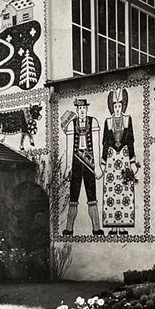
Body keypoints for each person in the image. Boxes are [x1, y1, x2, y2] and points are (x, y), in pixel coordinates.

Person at [61, 98, 103, 236]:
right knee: (74, 196)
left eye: (84, 108)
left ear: (87, 109)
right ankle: (69, 228)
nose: (82, 111)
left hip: (89, 163)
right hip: (76, 162)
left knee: (92, 196)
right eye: (79, 109)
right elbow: (68, 146)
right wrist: (68, 167)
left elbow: (96, 145)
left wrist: (97, 166)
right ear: (77, 111)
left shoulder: (93, 122)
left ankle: (96, 228)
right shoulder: (71, 125)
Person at [101, 88, 138, 234]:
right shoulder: (108, 121)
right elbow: (105, 143)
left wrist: (133, 161)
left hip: (124, 157)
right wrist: (103, 162)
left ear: (123, 107)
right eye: (115, 106)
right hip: (111, 159)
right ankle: (112, 226)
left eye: (120, 106)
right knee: (110, 193)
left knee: (124, 191)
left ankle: (122, 226)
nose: (117, 109)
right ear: (112, 107)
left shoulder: (128, 119)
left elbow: (130, 141)